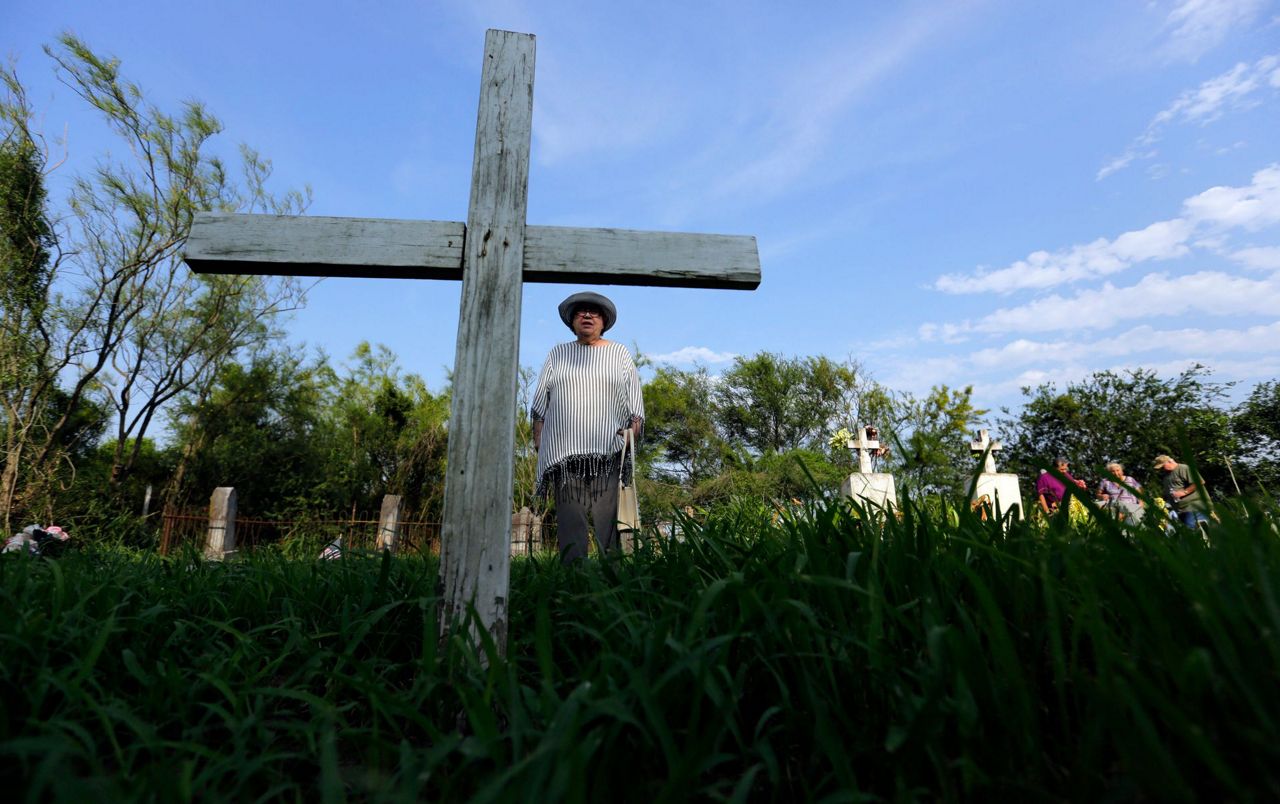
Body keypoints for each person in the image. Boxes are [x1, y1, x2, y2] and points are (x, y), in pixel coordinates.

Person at [531, 292, 644, 562]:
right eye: (580, 311)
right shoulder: (558, 354)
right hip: (564, 457)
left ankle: (614, 585)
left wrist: (633, 433)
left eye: (594, 312)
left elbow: (635, 405)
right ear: (572, 321)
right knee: (571, 529)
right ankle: (574, 588)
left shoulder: (619, 353)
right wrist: (540, 442)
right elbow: (539, 405)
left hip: (609, 455)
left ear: (603, 321)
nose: (587, 315)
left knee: (609, 528)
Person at [1153, 454, 1211, 529]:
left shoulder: (1183, 468)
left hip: (1195, 507)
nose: (1162, 469)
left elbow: (1199, 482)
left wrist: (1184, 492)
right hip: (1180, 511)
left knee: (1193, 529)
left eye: (1163, 466)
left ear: (1170, 461)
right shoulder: (1166, 476)